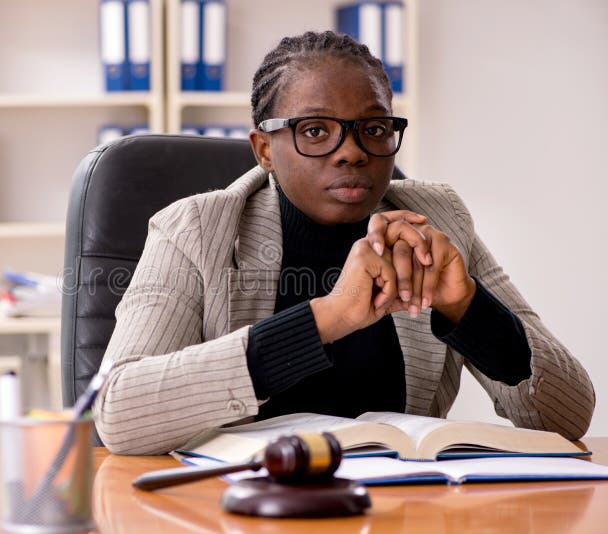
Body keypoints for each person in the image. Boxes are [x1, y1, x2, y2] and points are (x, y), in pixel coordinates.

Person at [93, 31, 594, 455]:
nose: (352, 152)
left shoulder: (438, 220)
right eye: (315, 131)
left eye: (373, 129)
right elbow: (117, 413)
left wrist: (468, 307)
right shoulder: (195, 229)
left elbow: (570, 414)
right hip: (238, 508)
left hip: (402, 509)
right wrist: (330, 317)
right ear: (264, 149)